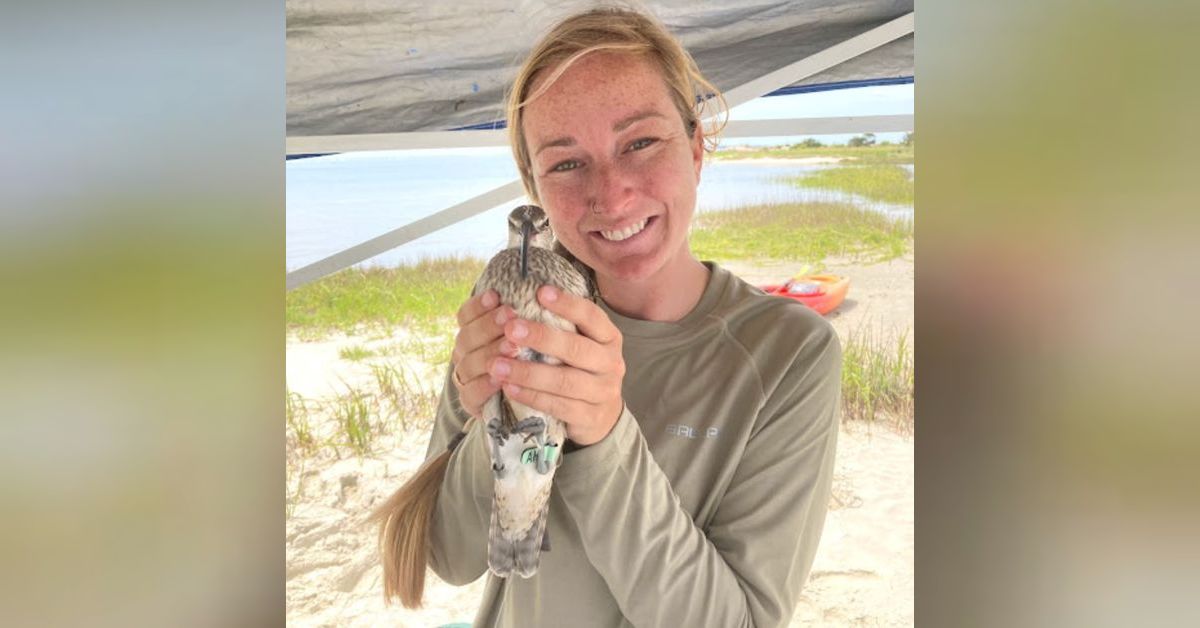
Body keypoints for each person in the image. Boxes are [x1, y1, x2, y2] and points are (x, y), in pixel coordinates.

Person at [417, 7, 840, 627]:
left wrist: (605, 436)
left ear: (695, 148)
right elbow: (446, 555)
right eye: (566, 163)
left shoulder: (789, 351)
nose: (612, 194)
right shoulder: (511, 310)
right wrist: (497, 421)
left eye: (640, 142)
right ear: (535, 187)